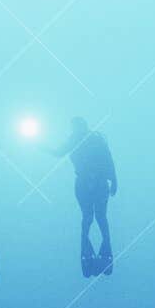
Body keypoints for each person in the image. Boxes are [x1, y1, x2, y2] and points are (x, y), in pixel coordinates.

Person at [46, 117, 117, 277]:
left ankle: (97, 244)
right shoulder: (81, 140)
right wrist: (113, 180)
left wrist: (114, 180)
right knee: (92, 216)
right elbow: (58, 153)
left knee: (96, 216)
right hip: (90, 182)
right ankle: (92, 243)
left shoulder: (94, 139)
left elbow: (108, 158)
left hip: (93, 182)